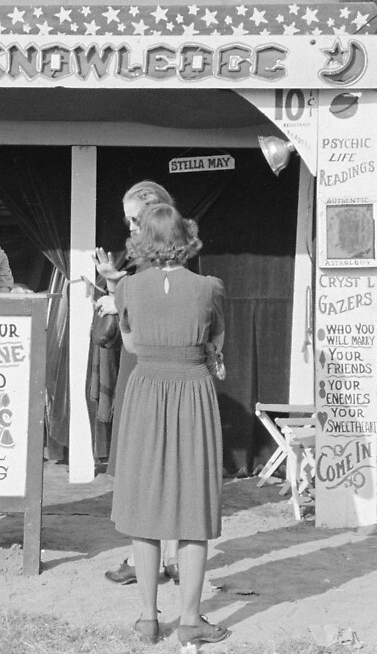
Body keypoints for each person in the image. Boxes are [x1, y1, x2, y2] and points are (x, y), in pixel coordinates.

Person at [96, 203, 229, 646]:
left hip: (146, 393)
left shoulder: (128, 289)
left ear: (142, 244)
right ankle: (190, 619)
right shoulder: (210, 288)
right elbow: (216, 341)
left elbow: (130, 345)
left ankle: (148, 620)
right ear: (186, 239)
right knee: (194, 509)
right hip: (193, 392)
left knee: (145, 507)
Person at [96, 181, 180, 587]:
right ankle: (172, 556)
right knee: (167, 463)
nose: (130, 226)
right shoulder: (166, 261)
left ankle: (142, 559)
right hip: (167, 369)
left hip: (145, 367)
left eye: (135, 218)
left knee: (144, 464)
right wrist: (116, 284)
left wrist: (118, 295)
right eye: (127, 219)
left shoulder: (152, 265)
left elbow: (143, 318)